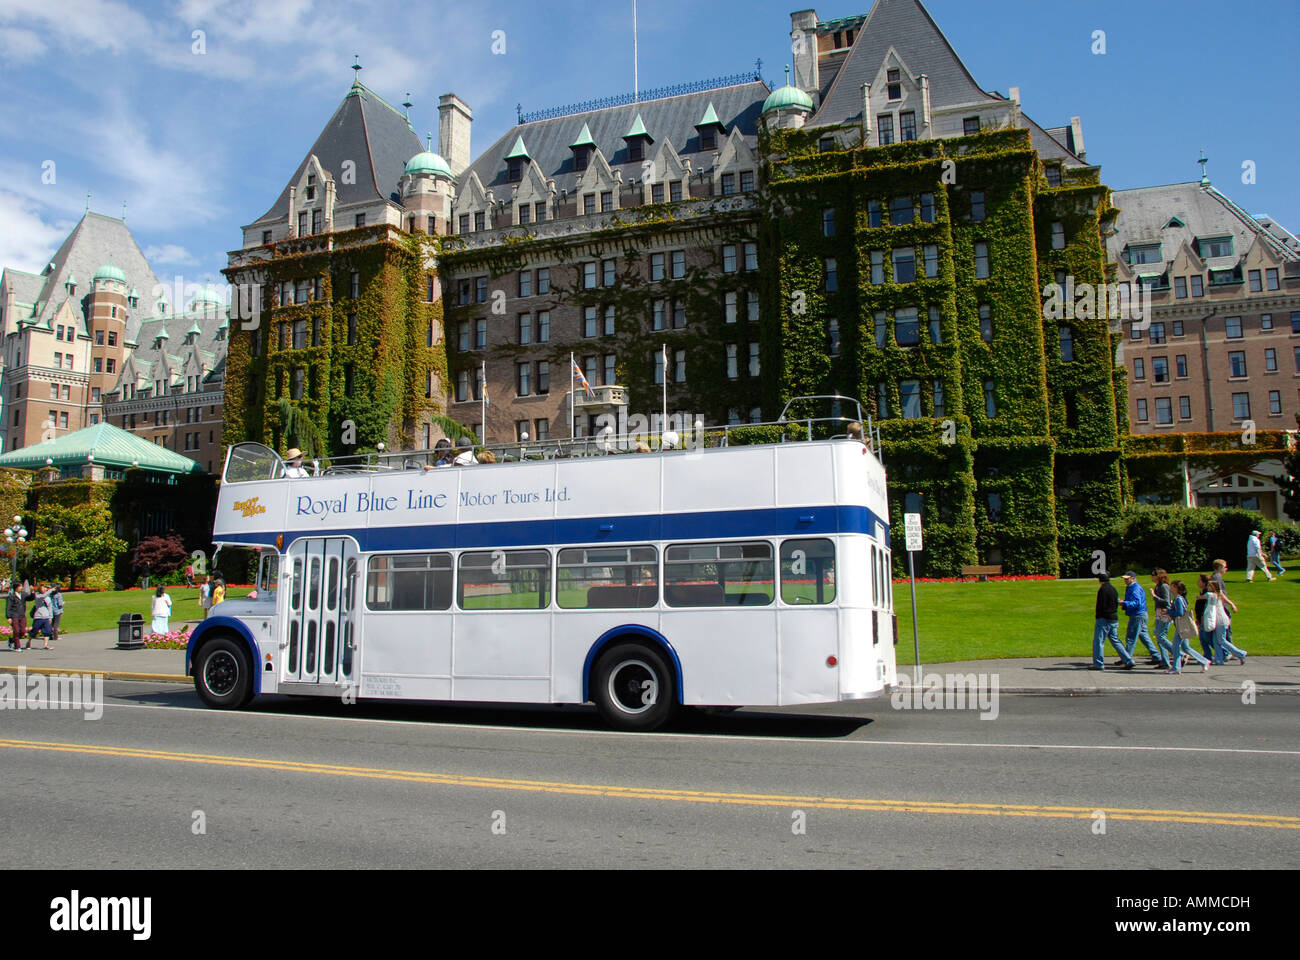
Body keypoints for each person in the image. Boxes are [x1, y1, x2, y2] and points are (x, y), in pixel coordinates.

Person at [1120, 570, 1168, 668]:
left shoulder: (1135, 588)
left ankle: (1127, 659)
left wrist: (1124, 603)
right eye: (1124, 579)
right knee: (1143, 636)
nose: (1125, 580)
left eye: (1127, 579)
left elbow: (1136, 602)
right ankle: (1156, 656)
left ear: (1133, 579)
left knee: (1131, 637)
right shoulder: (1131, 587)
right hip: (1140, 614)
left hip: (1137, 615)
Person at [1166, 580, 1209, 674]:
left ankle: (1176, 668)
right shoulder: (1179, 598)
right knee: (1185, 648)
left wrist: (1168, 612)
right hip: (1182, 626)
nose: (1170, 588)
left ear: (1176, 588)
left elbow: (1180, 613)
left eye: (1172, 586)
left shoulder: (1178, 599)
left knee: (1175, 647)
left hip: (1181, 626)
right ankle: (1204, 661)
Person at [1091, 572, 1131, 669]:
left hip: (1104, 619)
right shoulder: (1113, 589)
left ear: (1100, 580)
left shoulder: (1102, 590)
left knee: (1099, 641)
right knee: (1115, 640)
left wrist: (1098, 616)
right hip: (1113, 618)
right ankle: (1128, 659)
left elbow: (1102, 606)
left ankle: (1098, 663)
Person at [1204, 580, 1246, 664]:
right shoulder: (1217, 594)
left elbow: (1205, 596)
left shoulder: (1213, 595)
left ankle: (1241, 653)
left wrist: (1232, 605)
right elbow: (1226, 599)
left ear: (1214, 587)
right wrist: (1232, 605)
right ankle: (1219, 660)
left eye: (1209, 586)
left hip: (1221, 620)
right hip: (1216, 620)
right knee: (1216, 641)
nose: (1208, 587)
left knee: (1221, 640)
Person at [1211, 559, 1240, 661]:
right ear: (1219, 568)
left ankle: (1228, 652)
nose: (1226, 569)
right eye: (1224, 567)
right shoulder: (1216, 578)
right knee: (1226, 632)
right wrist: (1231, 603)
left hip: (1221, 607)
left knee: (1223, 633)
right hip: (1222, 608)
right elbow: (1221, 593)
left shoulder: (1216, 577)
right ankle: (1232, 652)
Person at [1150, 569, 1176, 665]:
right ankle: (1165, 661)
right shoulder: (1158, 586)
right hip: (1159, 611)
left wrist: (1154, 596)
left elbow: (1166, 601)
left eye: (1154, 575)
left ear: (1159, 576)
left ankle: (1178, 654)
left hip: (1165, 612)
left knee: (1161, 636)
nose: (1152, 576)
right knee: (1158, 636)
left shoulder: (1164, 586)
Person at [30, 585, 53, 650]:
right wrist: (51, 590)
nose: (45, 589)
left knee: (47, 631)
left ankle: (45, 645)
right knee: (34, 631)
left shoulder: (48, 598)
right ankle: (29, 641)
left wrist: (50, 617)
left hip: (46, 617)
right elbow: (43, 596)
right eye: (43, 588)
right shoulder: (38, 596)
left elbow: (50, 607)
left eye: (45, 588)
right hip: (38, 616)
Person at [6, 582, 27, 651]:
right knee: (16, 631)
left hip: (22, 615)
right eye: (20, 586)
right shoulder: (11, 596)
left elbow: (30, 598)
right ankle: (17, 647)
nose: (21, 588)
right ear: (16, 588)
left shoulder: (23, 595)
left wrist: (32, 592)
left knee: (23, 631)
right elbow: (8, 607)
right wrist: (8, 617)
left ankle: (12, 640)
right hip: (14, 615)